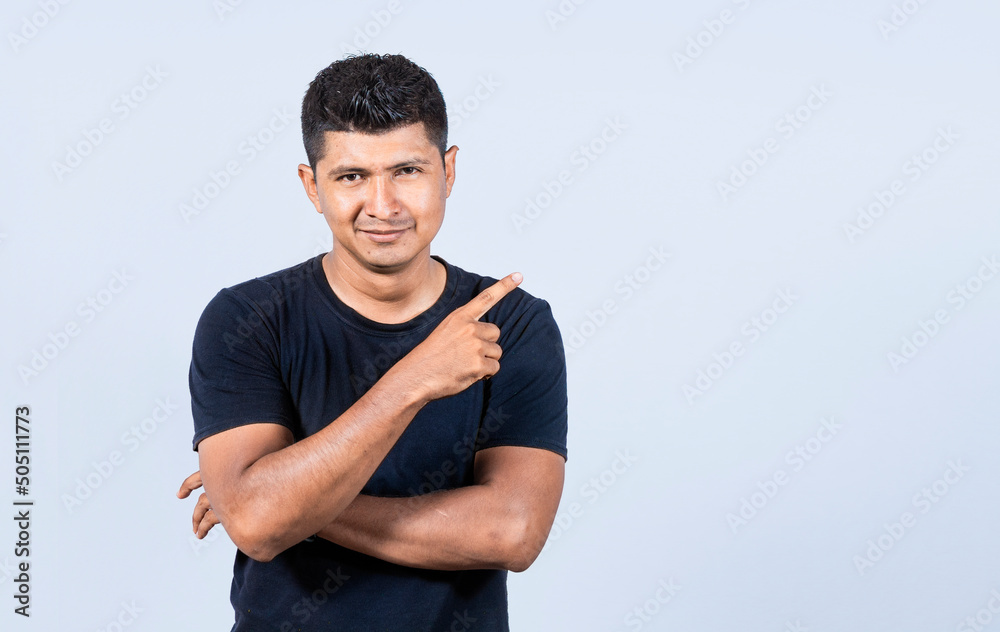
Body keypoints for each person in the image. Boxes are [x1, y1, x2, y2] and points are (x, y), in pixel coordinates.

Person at [175, 53, 568, 631]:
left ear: (448, 171)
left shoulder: (513, 324)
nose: (382, 207)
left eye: (407, 171)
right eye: (352, 176)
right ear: (312, 185)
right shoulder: (247, 319)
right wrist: (414, 380)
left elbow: (511, 531)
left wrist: (280, 502)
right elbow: (257, 525)